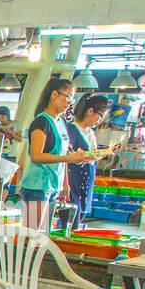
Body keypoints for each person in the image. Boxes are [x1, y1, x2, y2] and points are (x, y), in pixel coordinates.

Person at [17, 77, 94, 230]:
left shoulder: (61, 122)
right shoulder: (41, 122)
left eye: (72, 99)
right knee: (32, 232)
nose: (69, 103)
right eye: (68, 97)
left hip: (53, 186)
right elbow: (36, 156)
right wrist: (69, 158)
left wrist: (65, 183)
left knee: (43, 233)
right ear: (54, 94)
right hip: (37, 186)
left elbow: (63, 154)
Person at [64, 93, 117, 228]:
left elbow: (93, 155)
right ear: (90, 111)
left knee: (79, 219)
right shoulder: (71, 129)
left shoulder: (91, 133)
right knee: (70, 220)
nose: (100, 121)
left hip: (86, 182)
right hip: (73, 181)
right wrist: (105, 151)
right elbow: (74, 156)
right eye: (100, 116)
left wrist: (107, 151)